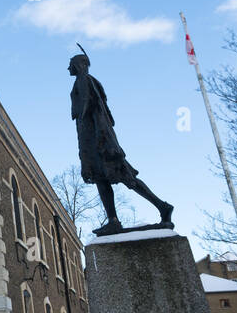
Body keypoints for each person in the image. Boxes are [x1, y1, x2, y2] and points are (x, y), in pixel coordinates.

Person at [69, 48, 174, 235]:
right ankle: (114, 220)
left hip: (98, 143)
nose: (68, 68)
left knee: (126, 179)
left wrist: (99, 144)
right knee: (103, 180)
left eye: (71, 64)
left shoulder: (84, 81)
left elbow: (90, 110)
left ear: (79, 65)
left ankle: (161, 206)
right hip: (95, 141)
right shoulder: (86, 82)